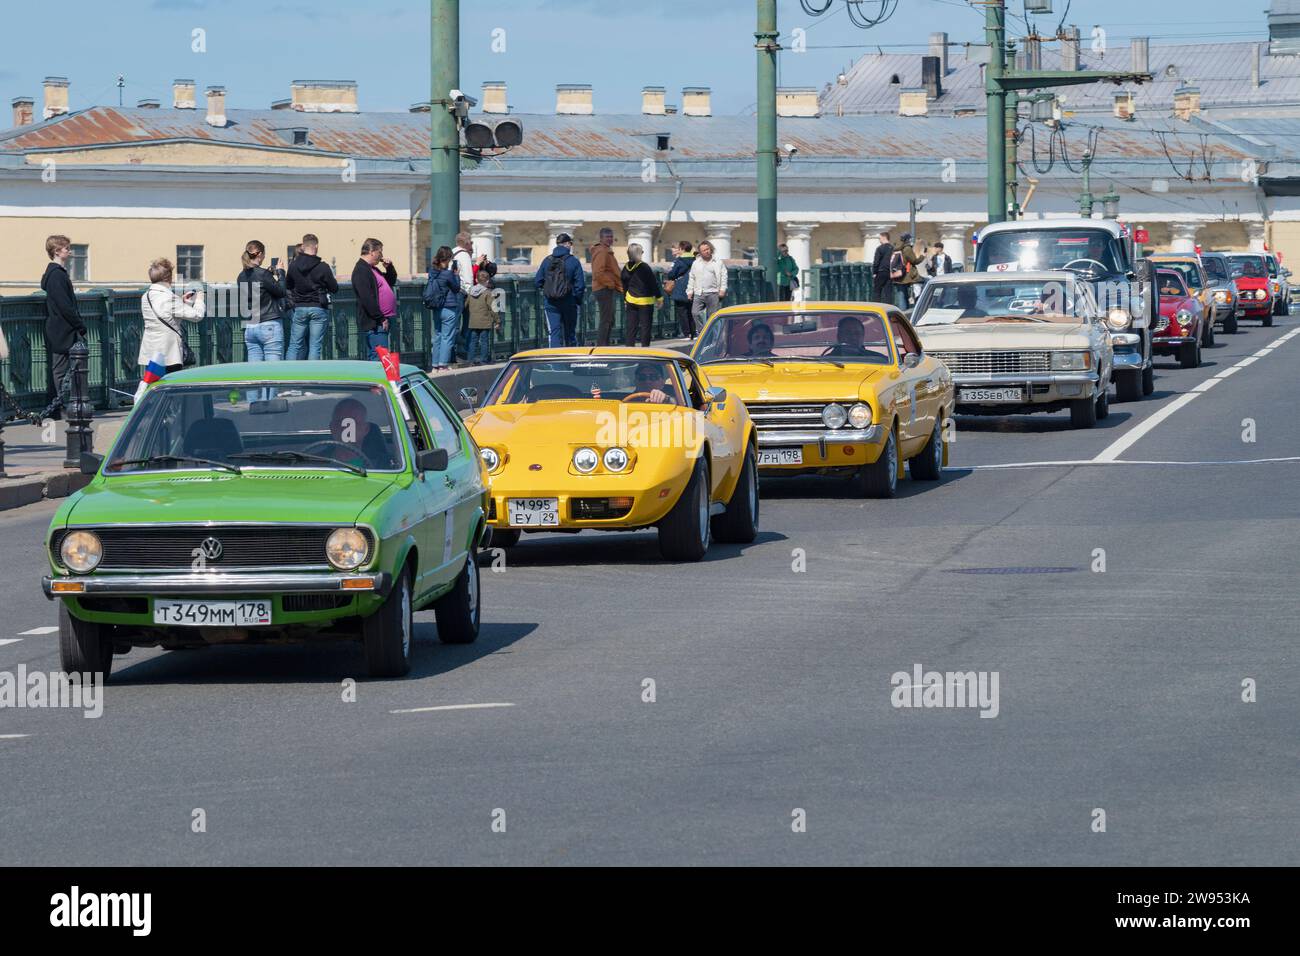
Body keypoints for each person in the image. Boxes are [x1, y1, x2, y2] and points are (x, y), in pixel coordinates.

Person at [41, 235, 87, 418]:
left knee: (65, 369)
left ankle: (61, 407)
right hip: (62, 330)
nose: (70, 251)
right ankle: (59, 408)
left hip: (60, 329)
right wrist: (80, 324)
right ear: (57, 251)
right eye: (67, 248)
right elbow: (65, 305)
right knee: (61, 370)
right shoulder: (57, 275)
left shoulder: (55, 274)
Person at [139, 257, 205, 375]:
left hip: (151, 349)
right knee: (170, 382)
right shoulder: (169, 297)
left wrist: (182, 302)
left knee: (153, 381)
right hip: (169, 352)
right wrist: (200, 299)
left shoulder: (146, 296)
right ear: (168, 278)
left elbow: (166, 313)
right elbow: (197, 315)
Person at [285, 233, 339, 360]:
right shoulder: (323, 267)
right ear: (317, 246)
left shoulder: (293, 266)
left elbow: (288, 285)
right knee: (315, 346)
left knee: (294, 345)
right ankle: (312, 372)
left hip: (299, 307)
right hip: (318, 306)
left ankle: (287, 371)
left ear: (303, 246)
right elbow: (334, 288)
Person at [237, 240, 288, 366]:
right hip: (269, 324)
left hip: (251, 326)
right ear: (260, 254)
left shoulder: (241, 276)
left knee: (255, 371)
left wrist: (269, 275)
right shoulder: (263, 274)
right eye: (264, 254)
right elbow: (281, 292)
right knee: (273, 370)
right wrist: (281, 273)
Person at [534, 232, 585, 347]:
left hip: (551, 302)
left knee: (554, 332)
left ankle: (554, 356)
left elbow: (537, 281)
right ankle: (570, 355)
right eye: (570, 243)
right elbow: (580, 285)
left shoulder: (547, 260)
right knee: (570, 333)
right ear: (567, 244)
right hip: (569, 301)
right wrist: (577, 300)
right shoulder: (573, 261)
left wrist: (549, 290)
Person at [351, 238, 398, 359]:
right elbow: (366, 298)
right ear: (372, 252)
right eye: (380, 252)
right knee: (379, 356)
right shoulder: (361, 270)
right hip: (376, 323)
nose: (381, 256)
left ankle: (385, 373)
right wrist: (380, 318)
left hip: (384, 319)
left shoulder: (373, 269)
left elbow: (390, 281)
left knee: (384, 356)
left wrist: (389, 268)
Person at [422, 246, 463, 370]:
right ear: (448, 258)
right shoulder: (448, 274)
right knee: (447, 337)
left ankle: (435, 365)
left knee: (438, 336)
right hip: (449, 308)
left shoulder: (432, 271)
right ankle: (443, 365)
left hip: (436, 307)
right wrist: (456, 275)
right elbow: (456, 288)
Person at [328, 396, 394, 468]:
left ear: (366, 429)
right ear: (332, 427)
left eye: (353, 423)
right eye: (340, 422)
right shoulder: (318, 461)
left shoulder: (386, 466)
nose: (346, 428)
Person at [621, 243, 664, 348]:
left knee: (631, 326)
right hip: (645, 301)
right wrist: (659, 298)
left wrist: (625, 300)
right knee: (646, 326)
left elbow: (624, 285)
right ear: (638, 253)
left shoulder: (625, 267)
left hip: (630, 300)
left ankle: (629, 347)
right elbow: (653, 284)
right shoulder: (644, 267)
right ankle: (645, 348)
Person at [590, 227, 623, 346]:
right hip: (604, 288)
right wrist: (610, 284)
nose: (610, 239)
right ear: (601, 238)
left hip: (605, 288)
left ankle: (604, 344)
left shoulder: (606, 250)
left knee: (609, 319)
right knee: (606, 319)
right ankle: (602, 346)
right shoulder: (602, 251)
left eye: (611, 237)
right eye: (607, 237)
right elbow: (598, 272)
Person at [687, 240, 727, 333]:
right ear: (700, 252)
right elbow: (692, 277)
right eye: (704, 250)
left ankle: (713, 334)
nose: (707, 251)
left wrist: (722, 289)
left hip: (713, 292)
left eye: (708, 249)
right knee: (695, 313)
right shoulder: (696, 263)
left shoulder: (718, 262)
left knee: (712, 316)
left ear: (711, 249)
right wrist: (689, 291)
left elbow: (724, 276)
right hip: (699, 292)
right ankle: (702, 332)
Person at [464, 268, 499, 365]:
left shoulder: (471, 291)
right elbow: (493, 308)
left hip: (473, 321)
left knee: (473, 341)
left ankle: (470, 360)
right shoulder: (488, 293)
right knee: (484, 341)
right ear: (487, 281)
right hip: (485, 321)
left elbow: (466, 305)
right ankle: (483, 359)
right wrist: (497, 321)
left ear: (476, 280)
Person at [665, 241, 696, 338]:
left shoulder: (679, 261)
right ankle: (693, 333)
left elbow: (672, 274)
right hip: (693, 287)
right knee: (691, 311)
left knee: (682, 312)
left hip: (680, 288)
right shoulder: (695, 260)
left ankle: (686, 333)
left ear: (682, 249)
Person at [892, 232, 922, 309]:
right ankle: (904, 311)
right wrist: (922, 256)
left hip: (897, 273)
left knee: (901, 293)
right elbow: (914, 261)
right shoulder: (907, 249)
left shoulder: (897, 248)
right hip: (905, 274)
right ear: (908, 239)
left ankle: (903, 310)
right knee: (903, 295)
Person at [872, 231, 894, 304]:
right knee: (888, 292)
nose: (879, 240)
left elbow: (876, 261)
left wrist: (874, 272)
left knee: (877, 291)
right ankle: (889, 307)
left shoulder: (880, 248)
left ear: (884, 238)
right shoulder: (892, 248)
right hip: (890, 272)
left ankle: (876, 306)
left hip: (880, 271)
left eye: (880, 238)